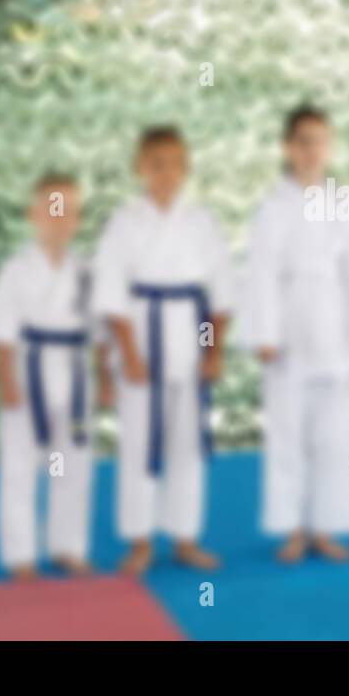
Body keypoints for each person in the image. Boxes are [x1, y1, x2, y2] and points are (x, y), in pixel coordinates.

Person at [242, 105, 349, 563]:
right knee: (288, 433)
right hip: (289, 329)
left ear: (327, 147)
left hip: (336, 323)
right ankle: (292, 528)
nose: (311, 150)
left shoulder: (342, 201)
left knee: (335, 435)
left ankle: (326, 527)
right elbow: (262, 273)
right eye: (303, 141)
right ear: (289, 148)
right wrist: (263, 331)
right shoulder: (272, 207)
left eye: (319, 141)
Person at [94, 126, 232, 574]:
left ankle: (186, 536)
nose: (166, 173)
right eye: (156, 164)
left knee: (188, 442)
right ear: (139, 167)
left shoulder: (201, 221)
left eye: (174, 163)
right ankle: (139, 540)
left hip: (190, 334)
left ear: (186, 168)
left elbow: (219, 294)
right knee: (138, 441)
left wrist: (213, 351)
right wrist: (128, 353)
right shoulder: (123, 221)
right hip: (142, 332)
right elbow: (110, 292)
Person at [0, 173, 106, 580]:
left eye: (69, 210)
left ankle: (68, 546)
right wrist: (6, 380)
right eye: (52, 208)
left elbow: (99, 332)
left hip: (74, 372)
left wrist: (104, 377)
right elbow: (2, 332)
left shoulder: (87, 271)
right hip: (29, 370)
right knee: (20, 464)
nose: (60, 218)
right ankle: (20, 555)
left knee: (73, 463)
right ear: (33, 214)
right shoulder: (15, 270)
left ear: (78, 219)